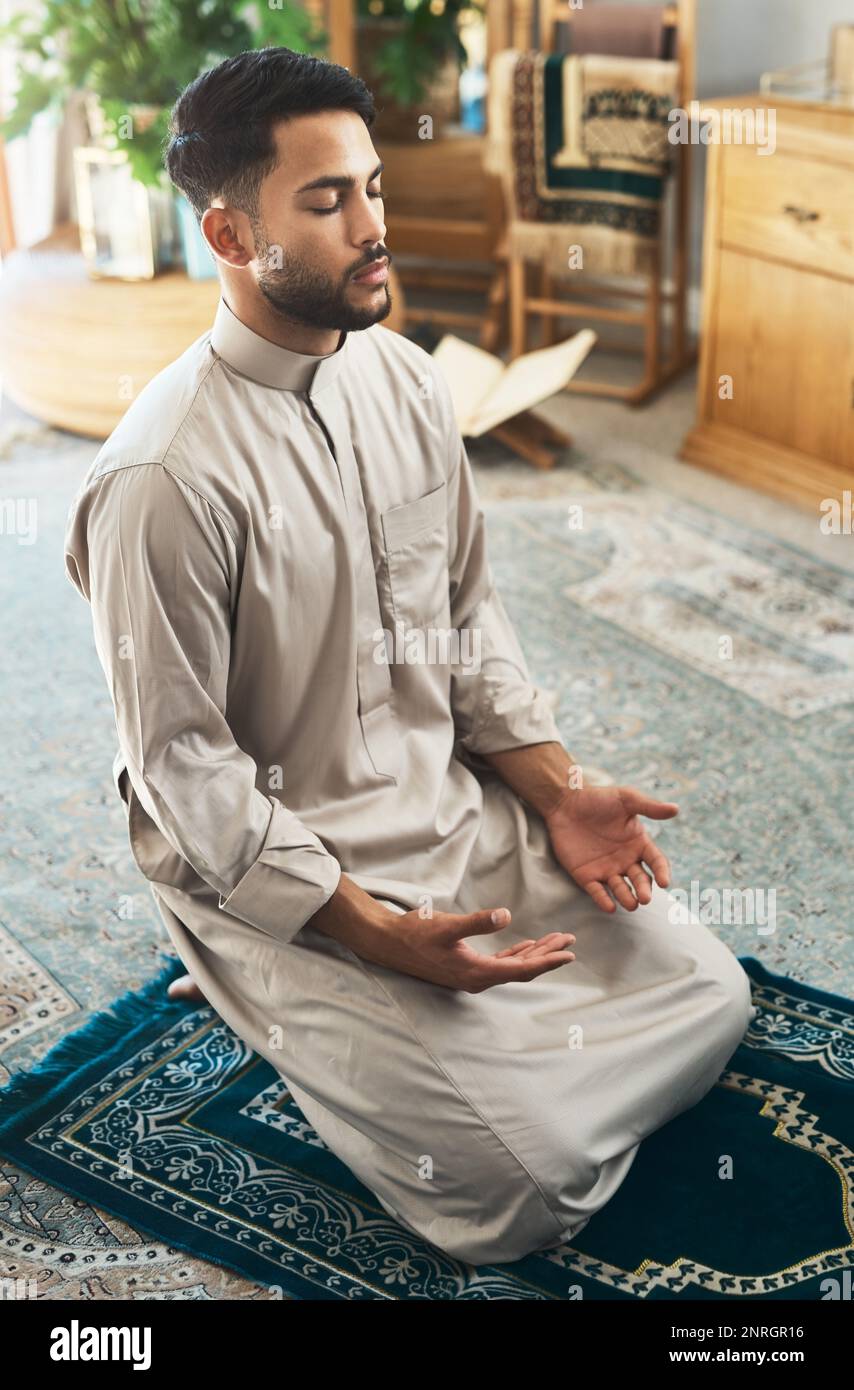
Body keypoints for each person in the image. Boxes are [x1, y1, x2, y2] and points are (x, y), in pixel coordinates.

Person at [64, 47, 755, 1267]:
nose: (372, 226)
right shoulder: (159, 481)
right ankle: (245, 982)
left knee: (715, 995)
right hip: (295, 878)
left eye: (371, 188)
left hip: (454, 817)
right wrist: (374, 934)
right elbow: (187, 776)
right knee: (521, 1188)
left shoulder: (404, 382)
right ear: (230, 234)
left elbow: (470, 621)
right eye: (327, 202)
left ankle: (416, 1041)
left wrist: (552, 789)